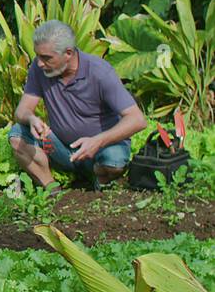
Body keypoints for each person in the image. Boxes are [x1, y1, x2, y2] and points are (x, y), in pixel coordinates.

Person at [9, 20, 146, 194]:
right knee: (17, 135)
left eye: (46, 58)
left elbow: (137, 120)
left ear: (68, 53)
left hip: (100, 151)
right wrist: (31, 118)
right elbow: (22, 110)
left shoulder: (100, 72)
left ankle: (99, 180)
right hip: (60, 148)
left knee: (114, 161)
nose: (40, 63)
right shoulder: (39, 69)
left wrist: (97, 141)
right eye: (38, 56)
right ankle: (50, 186)